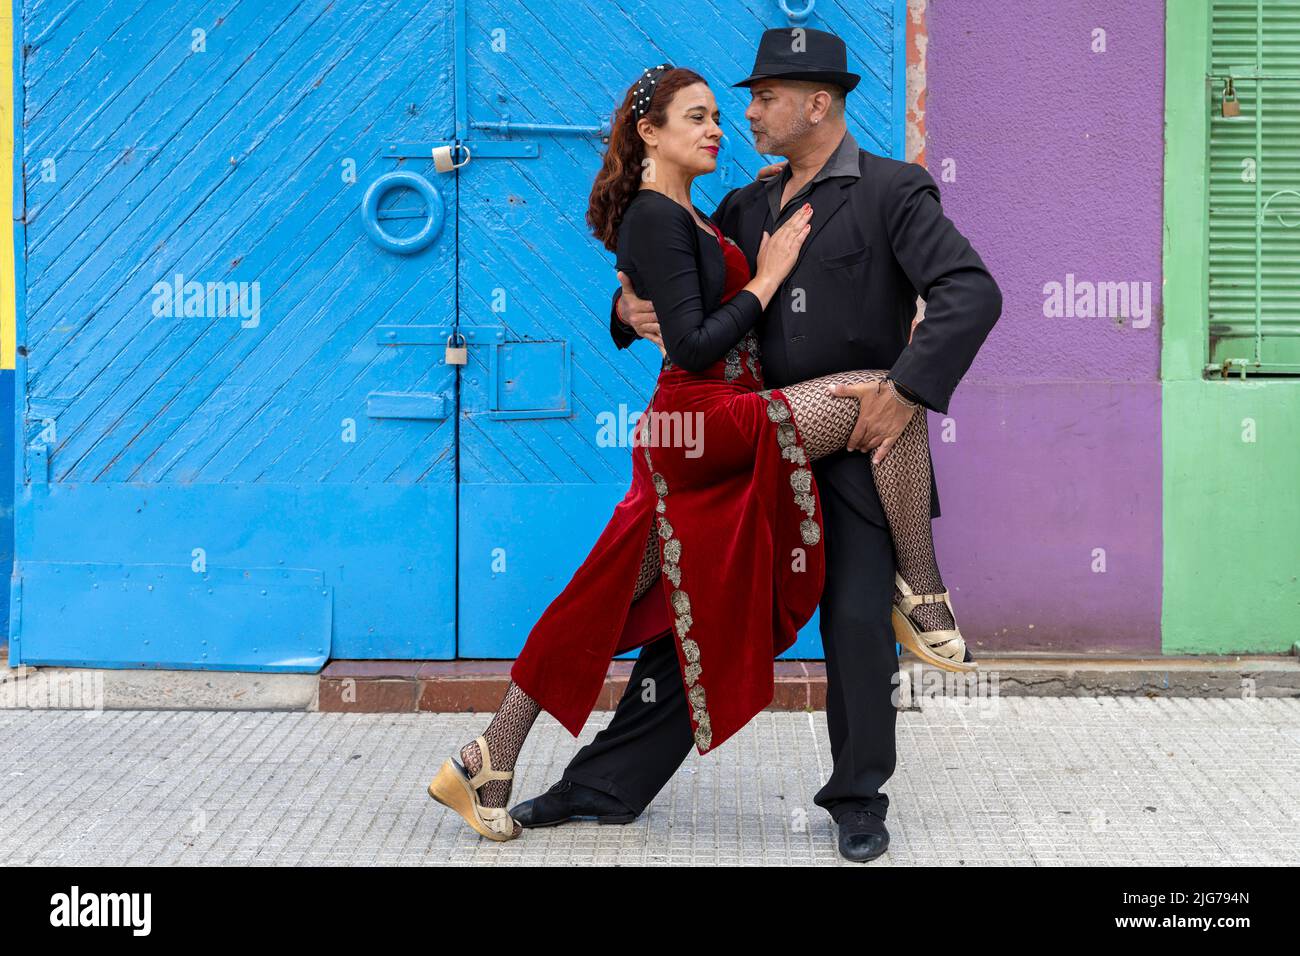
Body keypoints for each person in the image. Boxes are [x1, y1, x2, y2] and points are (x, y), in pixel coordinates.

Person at [429, 33, 998, 862]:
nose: (747, 115)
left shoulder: (893, 192)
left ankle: (857, 799)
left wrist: (905, 388)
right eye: (729, 105)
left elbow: (970, 291)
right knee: (691, 616)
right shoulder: (742, 206)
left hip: (856, 447)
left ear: (819, 104)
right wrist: (623, 313)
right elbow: (675, 290)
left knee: (854, 625)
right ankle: (603, 785)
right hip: (741, 445)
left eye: (765, 97)